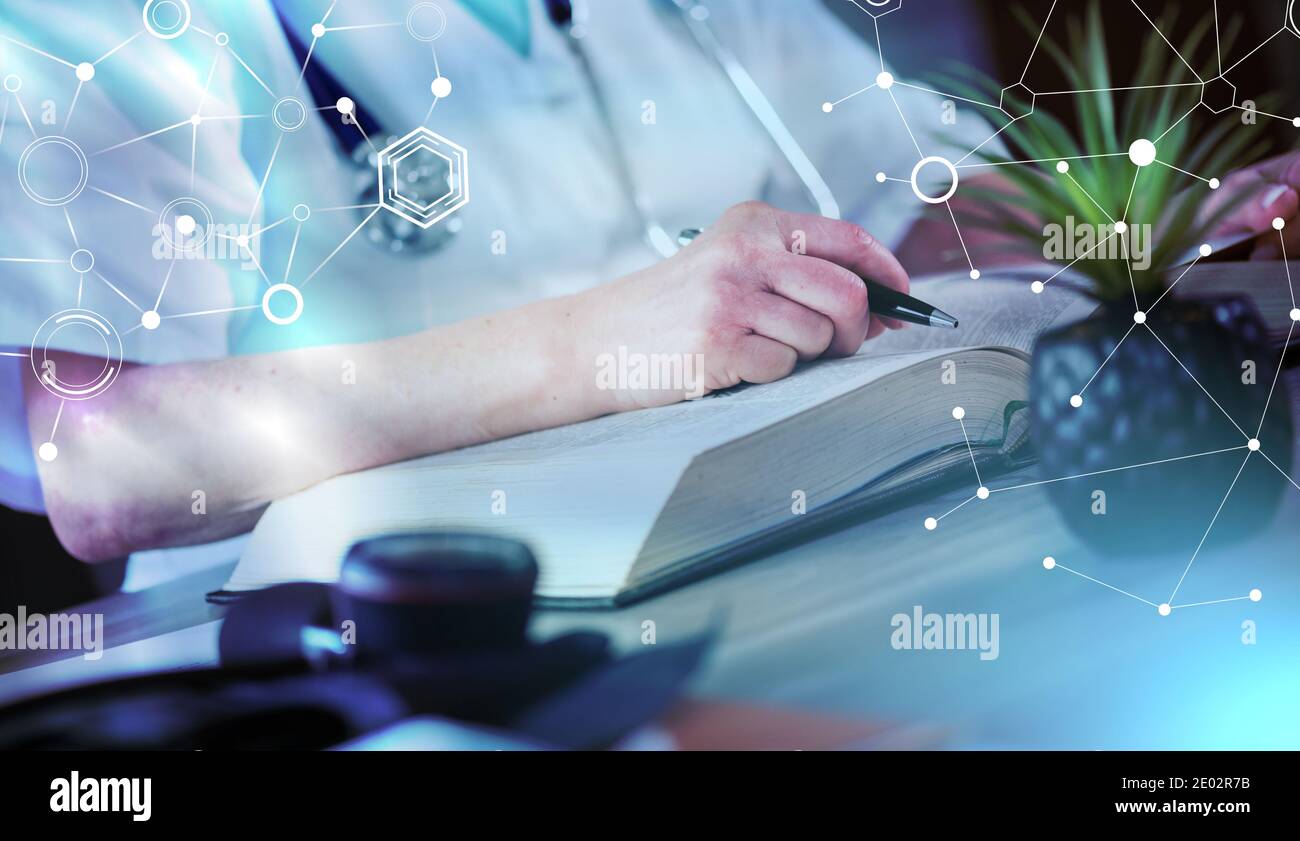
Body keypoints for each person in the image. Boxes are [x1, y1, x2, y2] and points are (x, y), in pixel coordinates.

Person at [0, 0, 1296, 591]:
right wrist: (614, 339)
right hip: (359, 657)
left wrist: (1184, 217)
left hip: (787, 554)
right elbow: (107, 459)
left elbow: (916, 214)